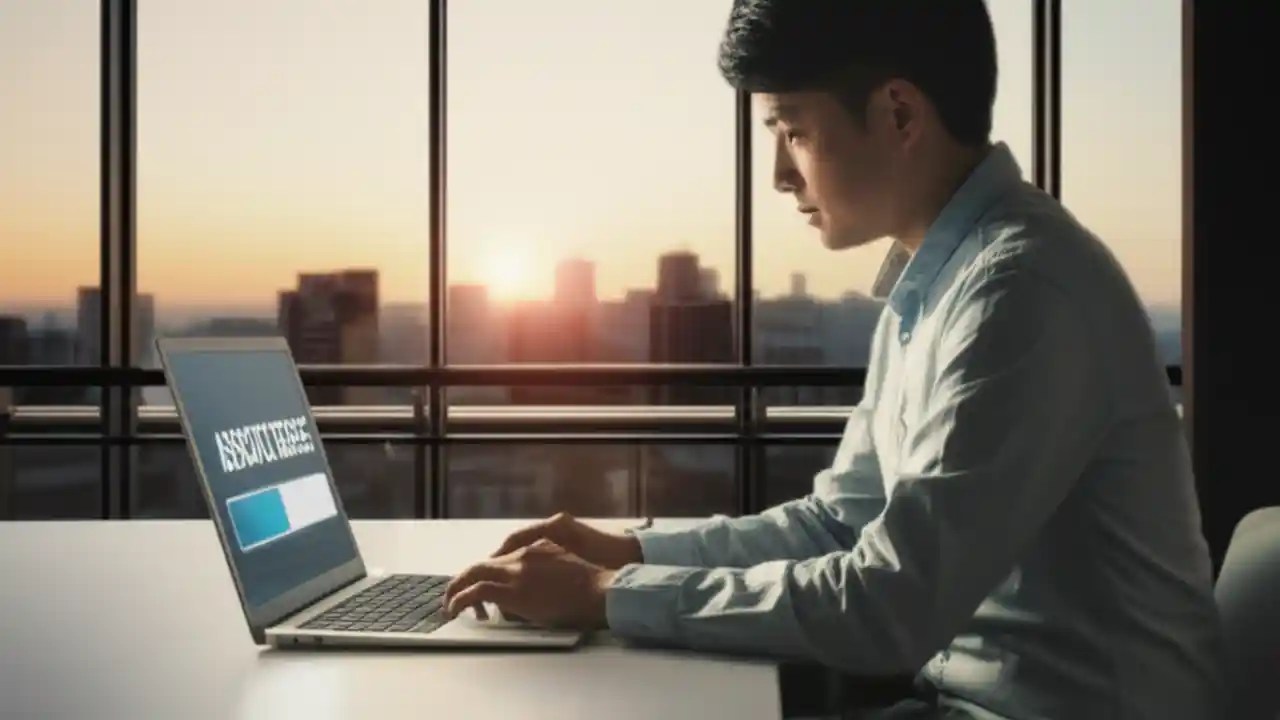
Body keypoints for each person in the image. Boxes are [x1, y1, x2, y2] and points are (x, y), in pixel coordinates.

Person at [443, 1, 1225, 717]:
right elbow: (838, 525)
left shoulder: (1020, 292)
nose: (781, 175)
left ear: (897, 113)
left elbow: (887, 602)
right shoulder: (939, 283)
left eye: (794, 132)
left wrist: (611, 594)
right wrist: (629, 552)